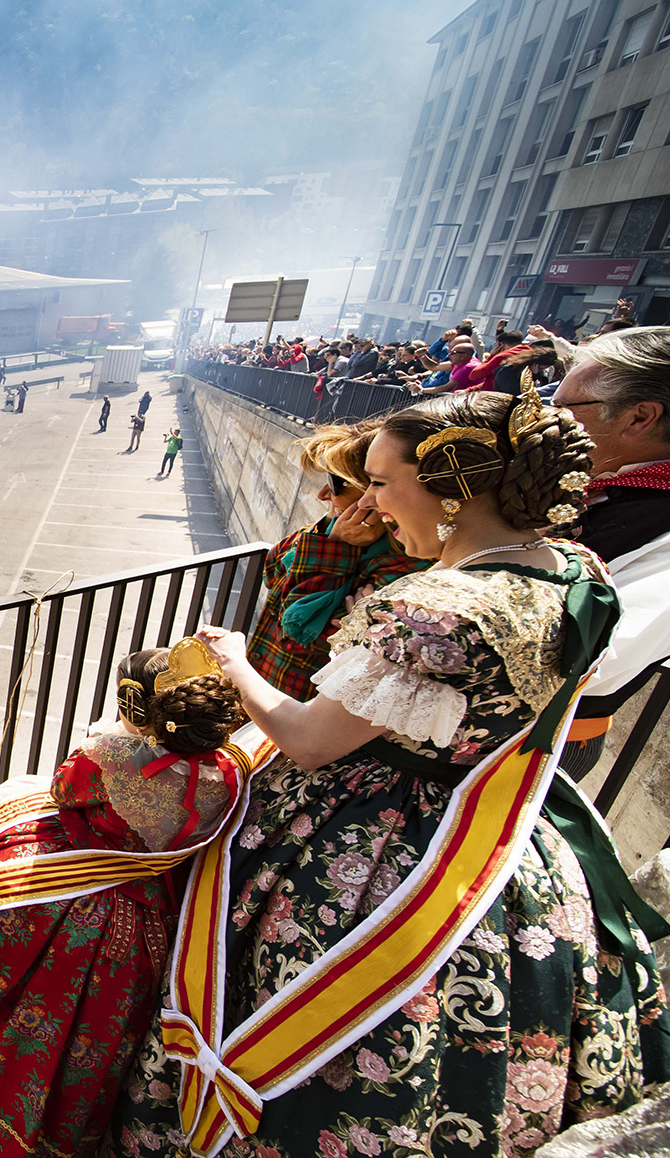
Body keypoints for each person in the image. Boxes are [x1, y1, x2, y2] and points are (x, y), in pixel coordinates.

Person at [113, 386, 670, 1157]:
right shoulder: (575, 568)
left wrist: (238, 665)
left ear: (453, 488)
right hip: (501, 825)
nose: (371, 503)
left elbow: (308, 740)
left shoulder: (433, 609)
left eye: (380, 483)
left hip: (378, 842)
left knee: (268, 993)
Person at [0, 642, 251, 1158]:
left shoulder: (117, 758)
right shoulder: (230, 770)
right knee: (86, 1026)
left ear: (136, 707)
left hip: (72, 879)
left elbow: (65, 789)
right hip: (147, 913)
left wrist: (111, 740)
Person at [551, 327, 670, 777]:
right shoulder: (596, 486)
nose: (548, 420)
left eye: (564, 409)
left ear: (639, 417)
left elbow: (598, 662)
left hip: (543, 742)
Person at [245, 423, 428, 699]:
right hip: (267, 679)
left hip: (299, 706)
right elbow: (272, 571)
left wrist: (337, 547)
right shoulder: (333, 529)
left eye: (335, 483)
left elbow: (300, 635)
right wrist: (329, 530)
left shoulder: (401, 569)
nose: (322, 495)